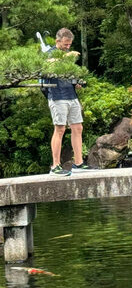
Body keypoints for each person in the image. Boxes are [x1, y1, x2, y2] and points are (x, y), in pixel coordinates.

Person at [44, 27, 93, 177]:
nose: (67, 47)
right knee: (60, 129)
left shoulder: (68, 54)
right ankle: (55, 166)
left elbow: (69, 75)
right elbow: (49, 66)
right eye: (65, 44)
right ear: (57, 41)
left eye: (69, 45)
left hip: (71, 95)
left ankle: (78, 163)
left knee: (78, 127)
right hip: (57, 96)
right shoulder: (50, 53)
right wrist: (68, 56)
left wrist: (77, 82)